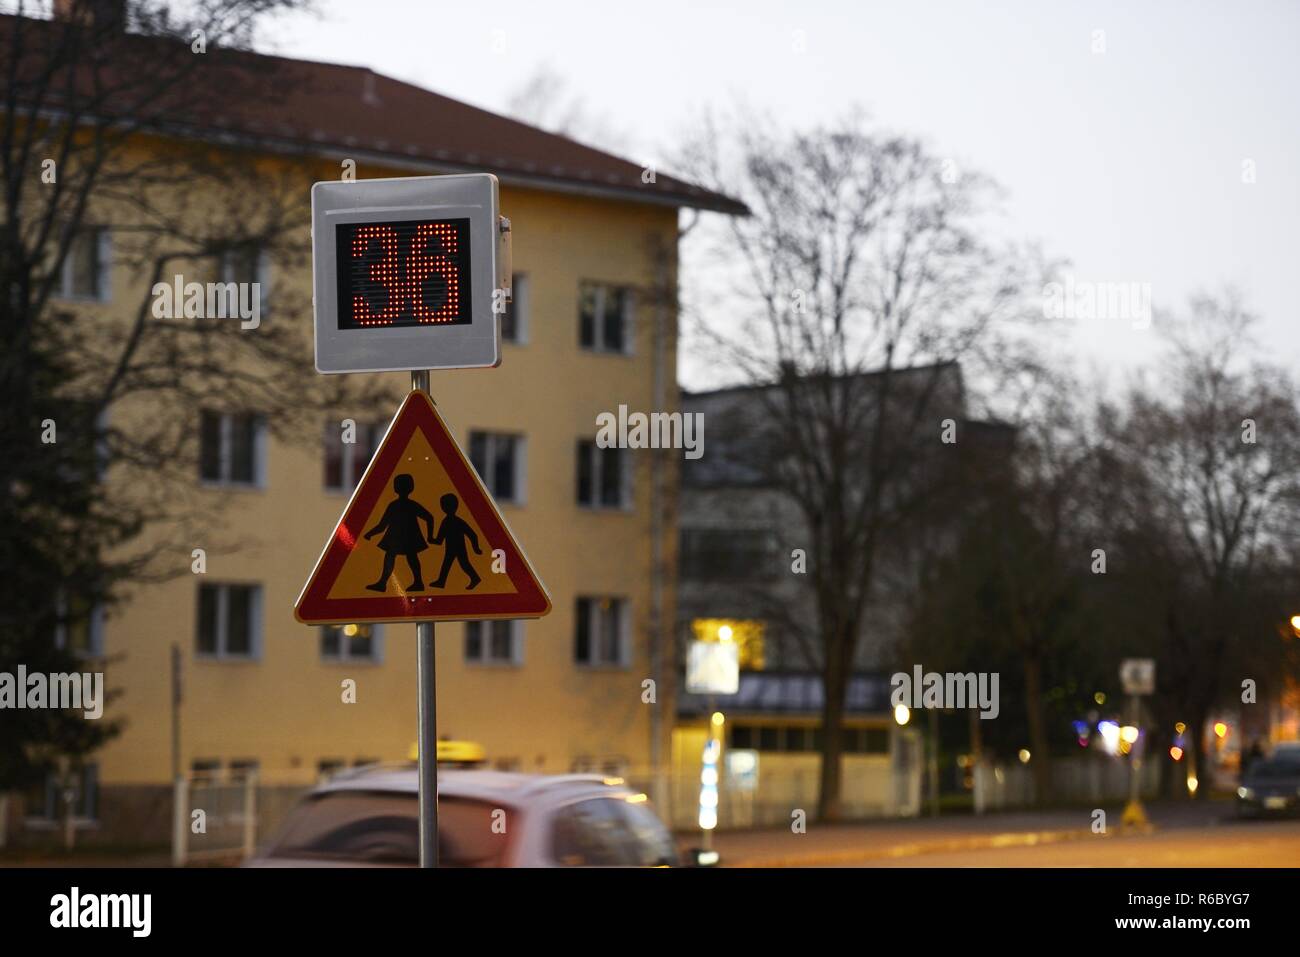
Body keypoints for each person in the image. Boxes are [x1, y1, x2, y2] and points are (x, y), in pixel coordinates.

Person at [363, 474, 436, 592]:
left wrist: (370, 534)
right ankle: (385, 583)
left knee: (401, 557)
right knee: (404, 557)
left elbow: (382, 526)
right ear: (411, 487)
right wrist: (430, 536)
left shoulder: (395, 505)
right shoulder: (405, 505)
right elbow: (430, 518)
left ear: (395, 488)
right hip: (399, 538)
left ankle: (416, 582)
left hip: (402, 538)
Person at [429, 493, 482, 589]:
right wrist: (432, 540)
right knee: (448, 564)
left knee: (463, 564)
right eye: (443, 505)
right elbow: (440, 540)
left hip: (459, 548)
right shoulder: (446, 521)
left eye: (445, 505)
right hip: (451, 548)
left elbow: (472, 534)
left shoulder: (455, 521)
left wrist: (476, 548)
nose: (444, 507)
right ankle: (441, 581)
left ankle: (475, 578)